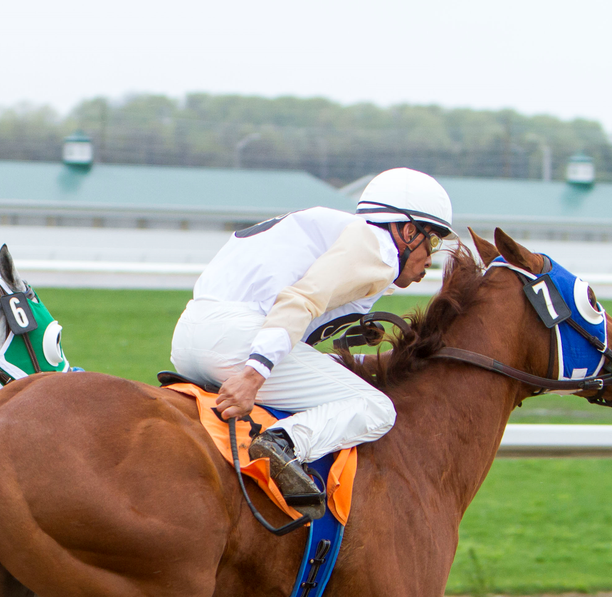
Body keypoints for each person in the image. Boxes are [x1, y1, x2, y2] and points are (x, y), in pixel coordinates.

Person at [170, 167, 452, 515]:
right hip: (237, 341)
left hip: (187, 339)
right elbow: (299, 301)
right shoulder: (376, 248)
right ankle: (282, 442)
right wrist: (252, 377)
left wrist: (369, 362)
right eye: (433, 241)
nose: (431, 257)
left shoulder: (336, 234)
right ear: (408, 231)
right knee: (378, 409)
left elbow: (300, 344)